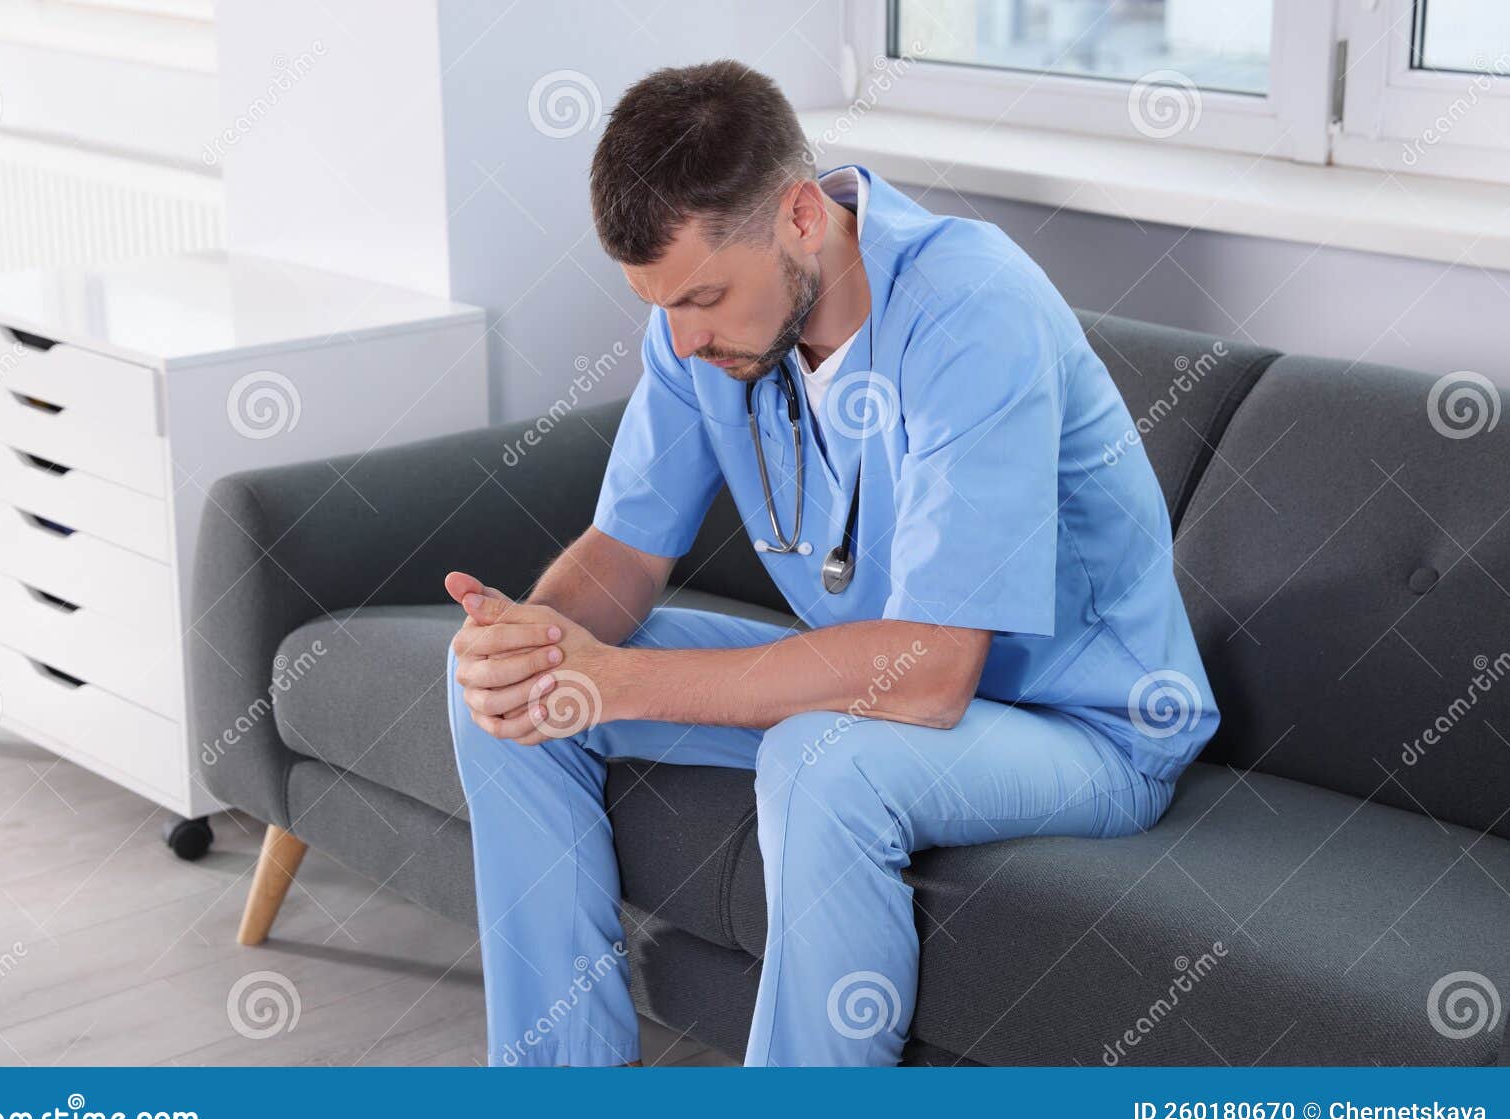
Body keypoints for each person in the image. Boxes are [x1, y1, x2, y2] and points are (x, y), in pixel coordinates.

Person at [444, 60, 1218, 1067]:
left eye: (706, 298)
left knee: (817, 759)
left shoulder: (969, 308)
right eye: (662, 305)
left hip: (1082, 728)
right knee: (514, 694)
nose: (682, 338)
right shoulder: (698, 336)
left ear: (802, 217)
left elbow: (935, 674)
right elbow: (626, 552)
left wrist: (625, 677)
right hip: (868, 689)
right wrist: (532, 639)